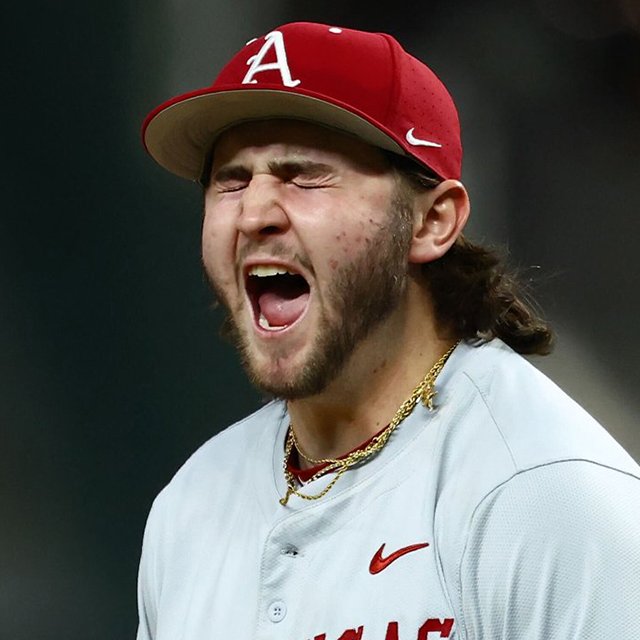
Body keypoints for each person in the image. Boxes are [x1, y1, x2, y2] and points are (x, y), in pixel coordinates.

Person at [137, 21, 640, 639]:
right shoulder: (189, 506)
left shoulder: (542, 495)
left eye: (304, 174)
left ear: (432, 222)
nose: (254, 213)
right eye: (231, 180)